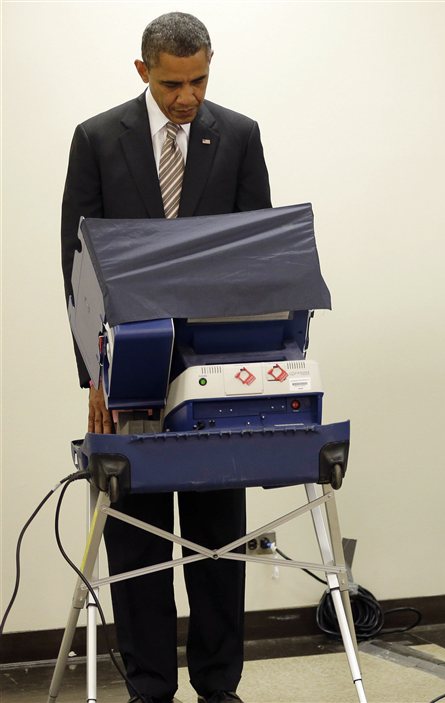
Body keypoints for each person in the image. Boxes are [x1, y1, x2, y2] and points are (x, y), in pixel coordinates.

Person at [60, 12, 271, 703]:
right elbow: (78, 263)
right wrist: (95, 370)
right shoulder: (97, 139)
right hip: (130, 363)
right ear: (143, 70)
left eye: (201, 80)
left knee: (218, 535)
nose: (189, 96)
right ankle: (149, 684)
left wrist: (257, 365)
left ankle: (219, 684)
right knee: (139, 537)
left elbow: (256, 256)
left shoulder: (237, 135)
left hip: (216, 362)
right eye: (175, 83)